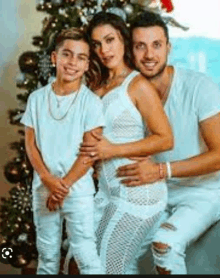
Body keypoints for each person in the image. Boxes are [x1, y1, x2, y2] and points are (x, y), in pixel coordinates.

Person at [116, 11, 220, 274]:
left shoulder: (199, 87)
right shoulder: (128, 94)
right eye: (140, 46)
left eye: (156, 45)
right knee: (118, 249)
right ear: (131, 50)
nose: (149, 55)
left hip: (204, 193)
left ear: (168, 48)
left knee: (166, 244)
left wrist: (162, 170)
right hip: (156, 194)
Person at [79, 11, 173, 274]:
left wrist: (113, 150)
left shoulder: (137, 85)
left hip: (137, 194)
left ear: (123, 39)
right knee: (80, 263)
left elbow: (165, 138)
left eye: (110, 40)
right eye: (96, 44)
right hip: (106, 193)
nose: (103, 50)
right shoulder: (97, 85)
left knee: (111, 268)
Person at [20, 27, 105, 274]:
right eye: (67, 54)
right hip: (42, 189)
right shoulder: (36, 99)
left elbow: (88, 154)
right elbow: (31, 144)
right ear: (55, 58)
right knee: (46, 256)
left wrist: (62, 186)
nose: (73, 63)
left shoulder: (91, 103)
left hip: (77, 191)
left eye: (81, 57)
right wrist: (47, 180)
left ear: (88, 64)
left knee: (86, 255)